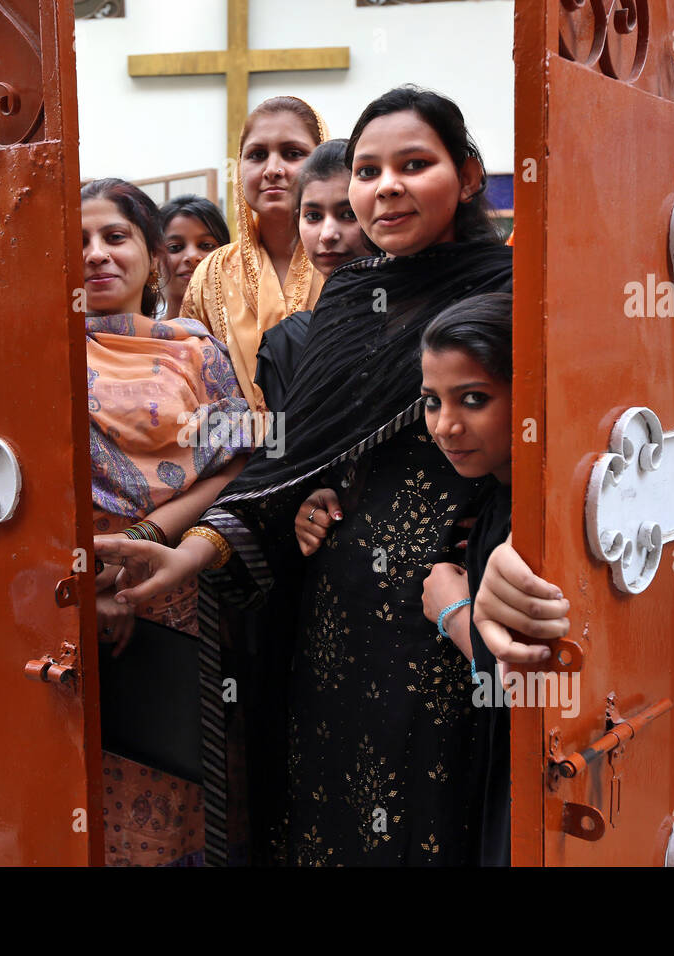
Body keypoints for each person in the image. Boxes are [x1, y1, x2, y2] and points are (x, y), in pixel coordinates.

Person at [98, 86, 523, 866]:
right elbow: (284, 469)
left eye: (413, 165)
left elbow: (537, 453)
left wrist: (480, 567)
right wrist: (184, 554)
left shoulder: (513, 294)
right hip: (333, 616)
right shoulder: (350, 303)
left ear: (467, 177)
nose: (384, 186)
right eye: (368, 170)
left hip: (447, 612)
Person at [80, 177, 254, 866]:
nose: (96, 254)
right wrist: (96, 585)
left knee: (184, 773)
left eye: (115, 237)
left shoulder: (194, 348)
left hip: (179, 590)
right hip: (76, 595)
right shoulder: (35, 352)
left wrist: (146, 541)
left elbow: (236, 464)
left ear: (153, 257)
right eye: (79, 243)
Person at [416, 291, 517, 866]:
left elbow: (531, 681)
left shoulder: (543, 508)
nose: (446, 426)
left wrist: (455, 612)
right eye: (432, 402)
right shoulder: (496, 492)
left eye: (474, 399)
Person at [181, 97, 329, 412]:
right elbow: (188, 384)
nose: (273, 170)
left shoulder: (348, 260)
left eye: (293, 154)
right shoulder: (210, 275)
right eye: (257, 155)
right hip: (236, 457)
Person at [255, 138, 377, 413]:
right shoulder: (287, 342)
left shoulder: (413, 320)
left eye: (347, 214)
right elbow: (285, 447)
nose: (327, 234)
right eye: (313, 216)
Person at [156, 195, 229, 321]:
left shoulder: (249, 334)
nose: (192, 256)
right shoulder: (138, 337)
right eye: (175, 247)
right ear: (154, 259)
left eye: (206, 245)